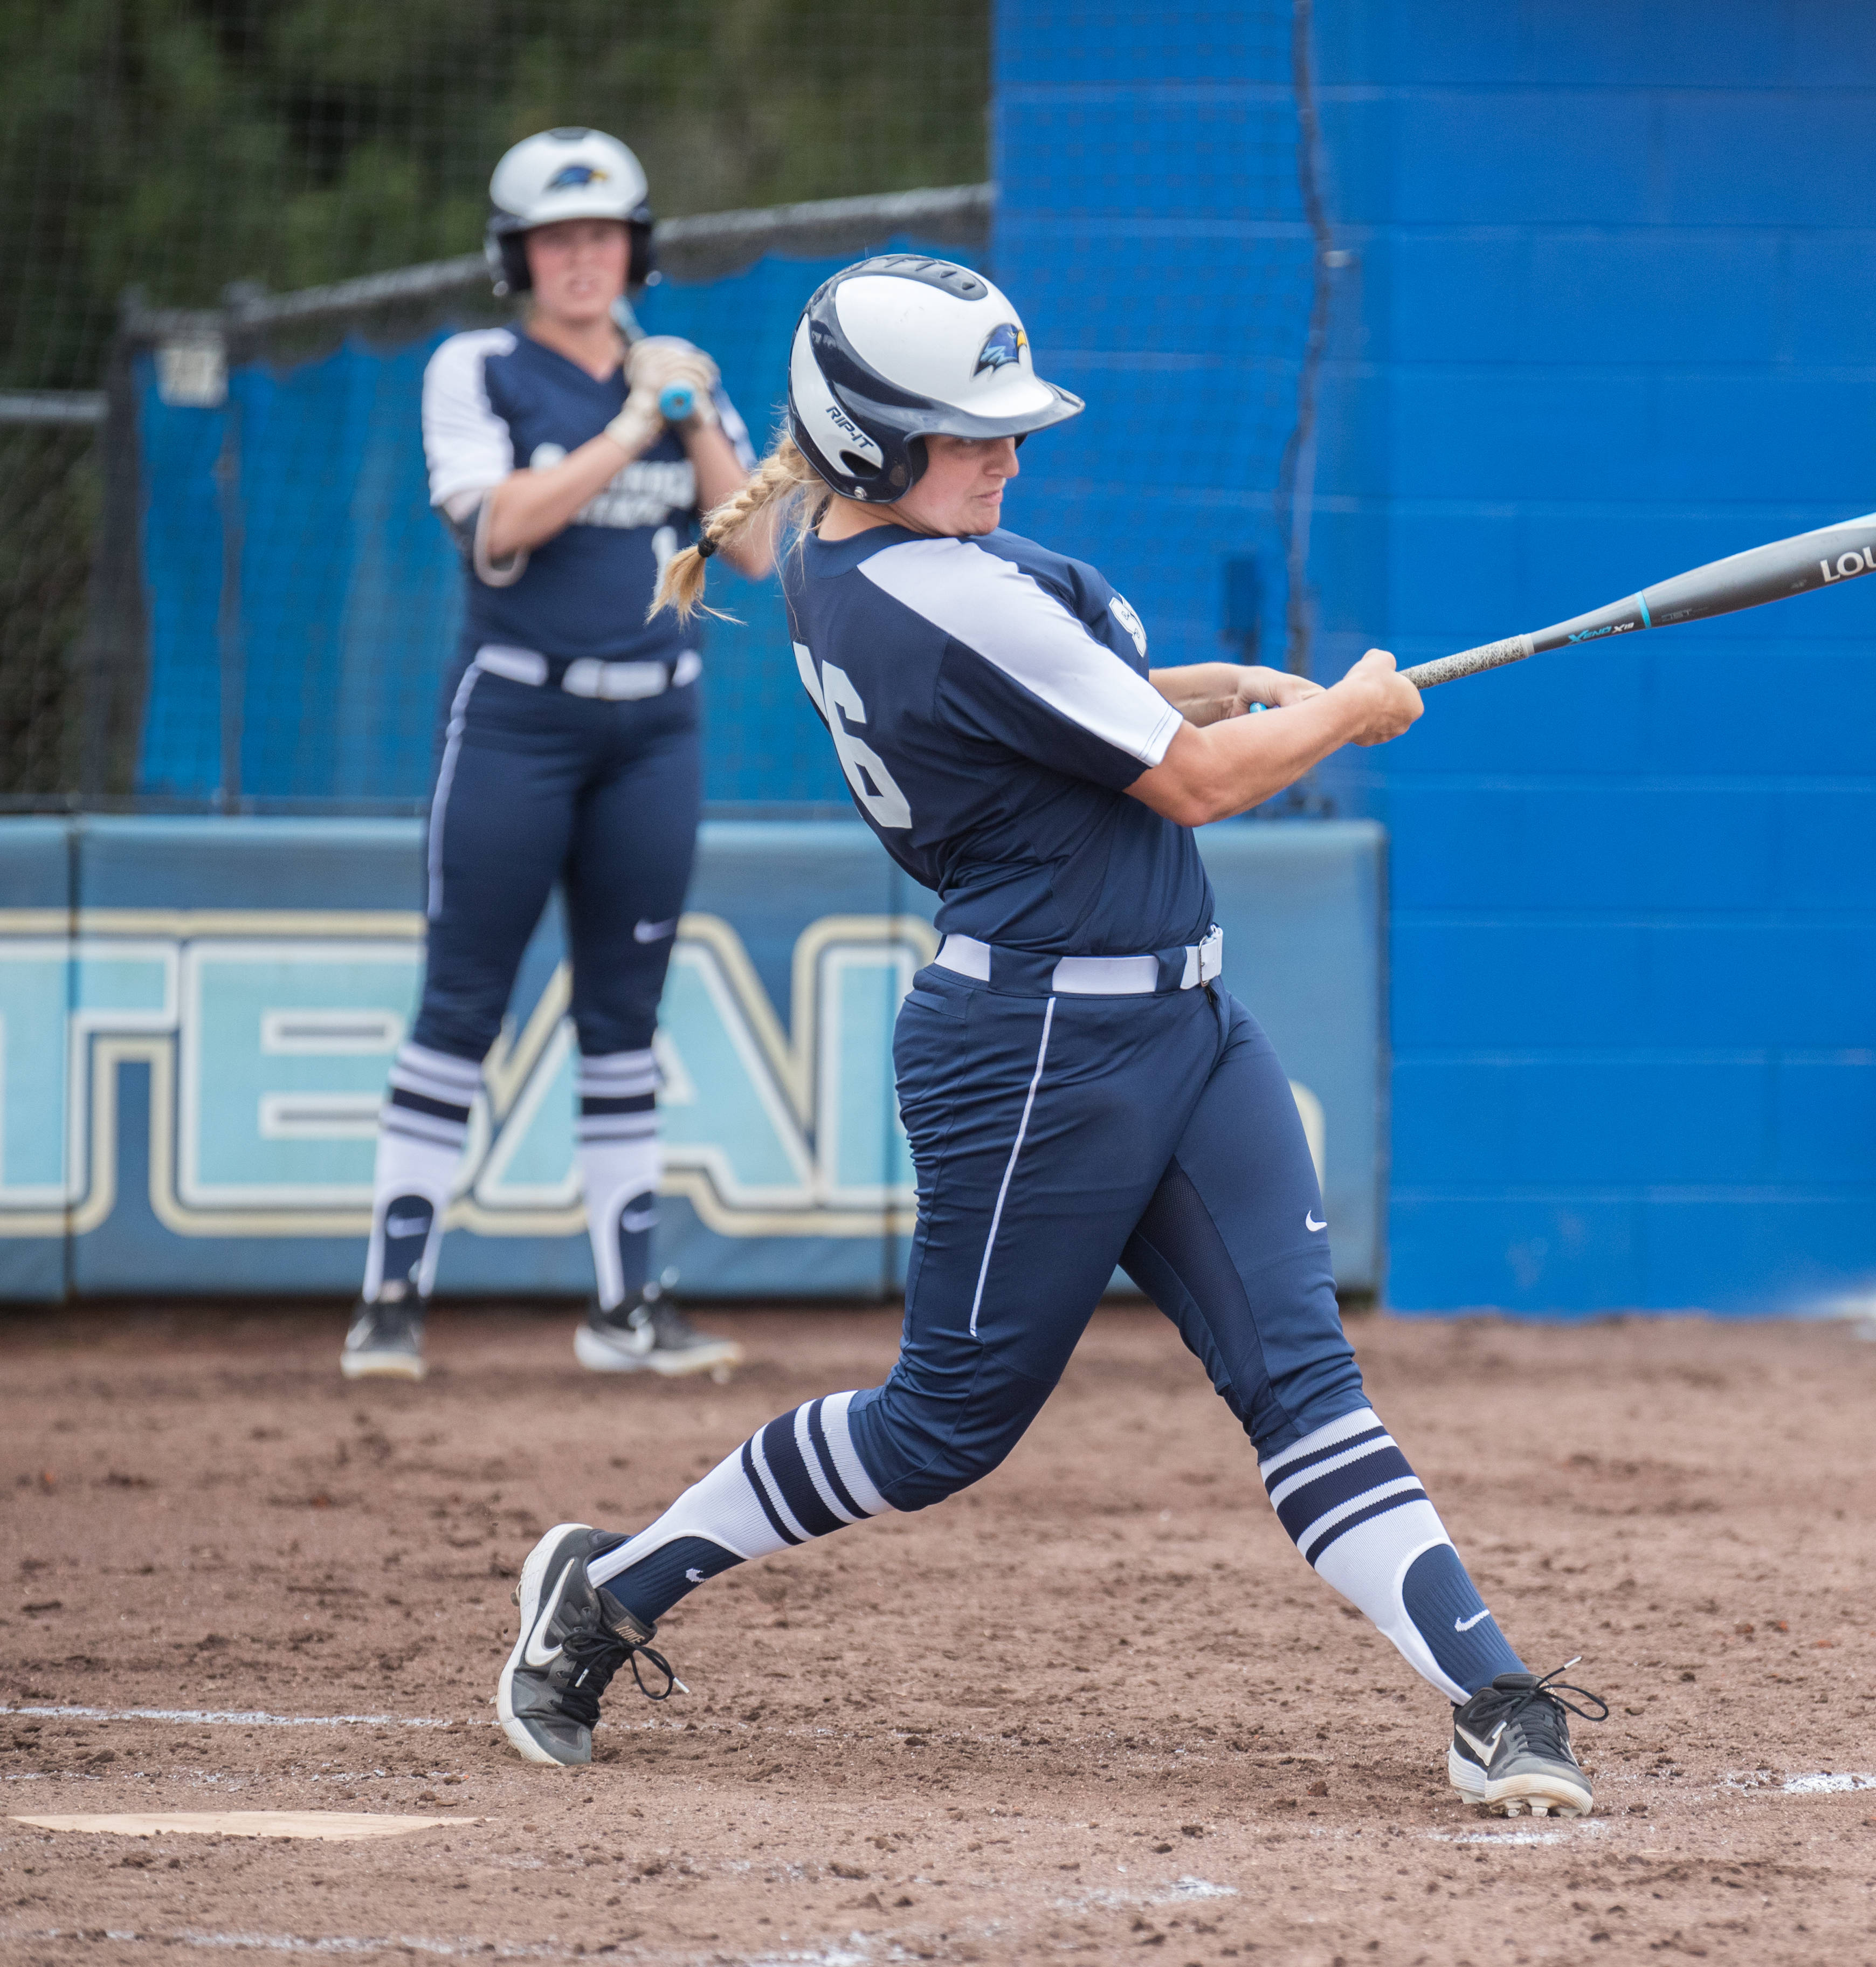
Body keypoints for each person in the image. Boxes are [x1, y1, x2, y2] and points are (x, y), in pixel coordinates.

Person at [488, 255, 1605, 1818]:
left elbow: (1068, 712)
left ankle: (1499, 1696)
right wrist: (1342, 714)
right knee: (937, 1429)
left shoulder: (846, 553)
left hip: (1185, 1027)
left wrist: (1209, 688)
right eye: (970, 432)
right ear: (873, 443)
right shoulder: (941, 595)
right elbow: (1187, 781)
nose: (1008, 455)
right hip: (1033, 1056)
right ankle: (612, 1590)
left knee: (1305, 1378)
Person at [339, 129, 770, 1386]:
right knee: (463, 1002)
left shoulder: (680, 370)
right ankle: (390, 1300)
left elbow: (749, 552)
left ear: (637, 249)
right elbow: (500, 532)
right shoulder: (478, 366)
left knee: (625, 1018)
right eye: (555, 240)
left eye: (602, 237)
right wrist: (637, 418)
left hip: (657, 721)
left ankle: (627, 1307)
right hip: (519, 717)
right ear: (516, 257)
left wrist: (684, 415)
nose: (581, 260)